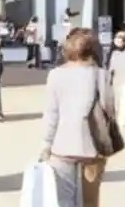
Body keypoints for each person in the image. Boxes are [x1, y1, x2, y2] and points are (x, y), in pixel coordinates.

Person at [41, 28, 114, 206]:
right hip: (93, 145)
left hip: (62, 144)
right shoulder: (102, 75)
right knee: (90, 200)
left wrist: (46, 144)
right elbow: (110, 111)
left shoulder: (56, 75)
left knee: (63, 199)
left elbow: (51, 113)